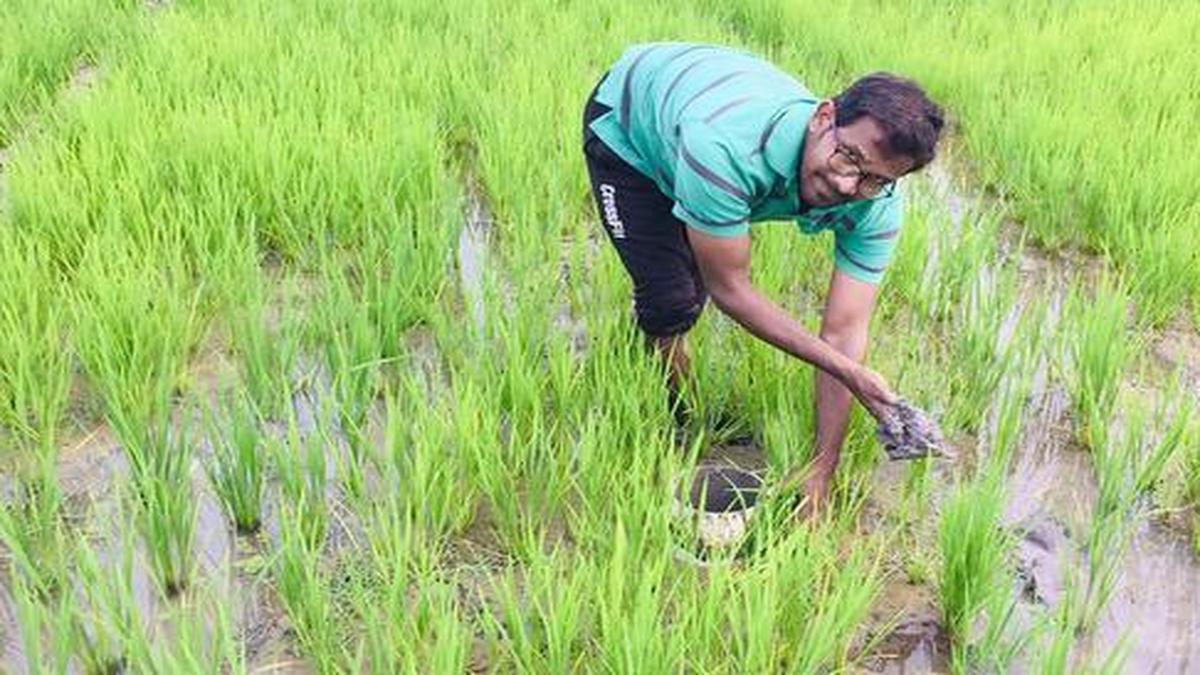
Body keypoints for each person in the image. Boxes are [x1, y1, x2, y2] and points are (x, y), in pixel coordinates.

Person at [581, 42, 944, 514]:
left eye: (874, 179)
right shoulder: (726, 148)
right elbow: (730, 289)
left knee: (689, 274)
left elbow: (845, 330)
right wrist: (852, 374)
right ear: (823, 117)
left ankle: (660, 362)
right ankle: (682, 416)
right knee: (673, 299)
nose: (847, 187)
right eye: (848, 158)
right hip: (631, 125)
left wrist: (822, 469)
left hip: (701, 107)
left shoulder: (875, 206)